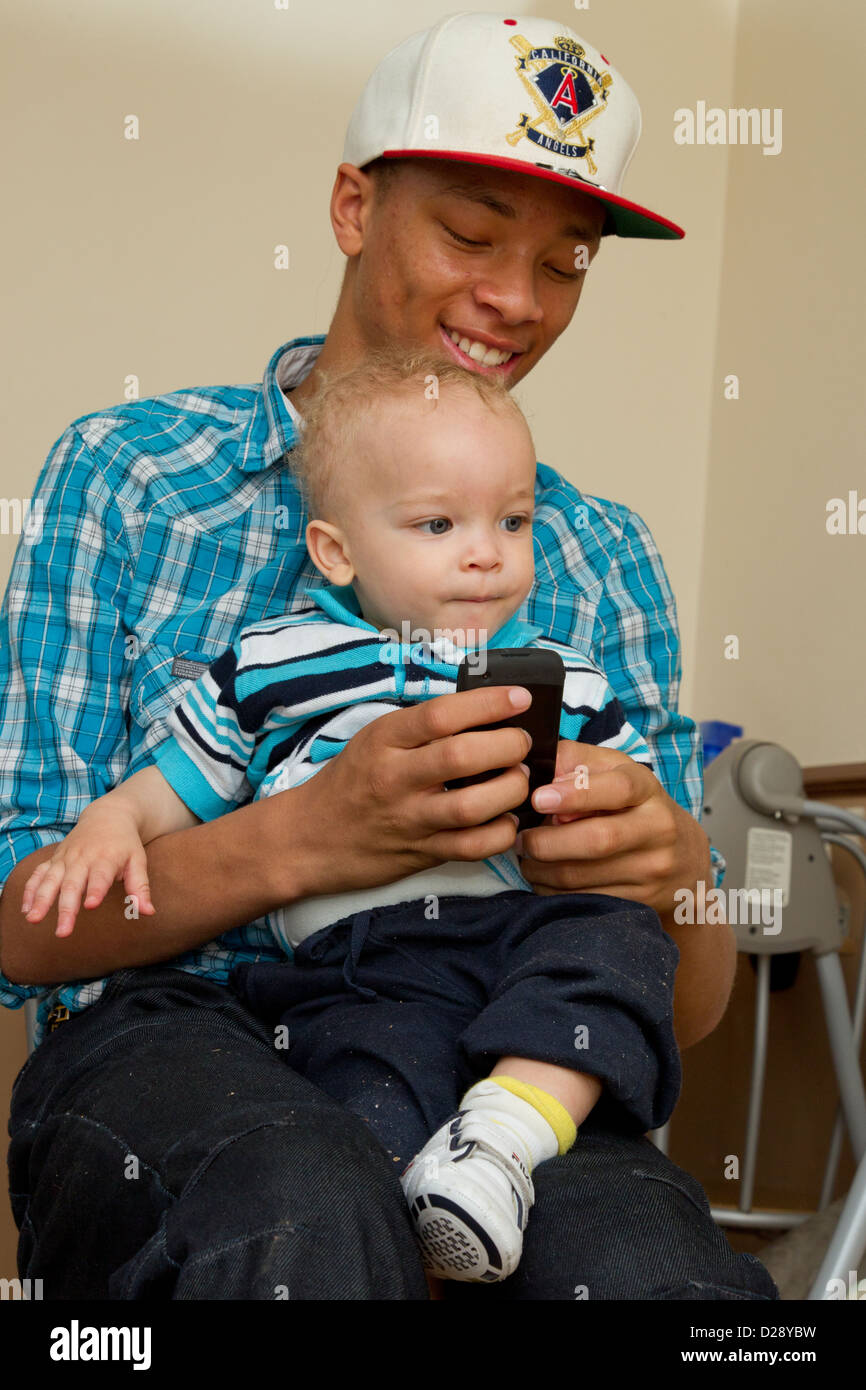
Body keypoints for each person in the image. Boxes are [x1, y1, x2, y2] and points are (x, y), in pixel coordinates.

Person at [0, 12, 779, 1299]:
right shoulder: (133, 477)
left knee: (655, 1278)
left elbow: (682, 1008)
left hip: (501, 1052)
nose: (518, 299)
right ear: (353, 205)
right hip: (176, 1039)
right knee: (301, 1201)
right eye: (470, 234)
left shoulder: (600, 552)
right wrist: (310, 838)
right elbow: (20, 927)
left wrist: (671, 862)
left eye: (566, 261)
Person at [18, 351, 683, 1284]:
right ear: (337, 551)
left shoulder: (563, 676)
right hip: (364, 961)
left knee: (616, 946)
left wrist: (617, 828)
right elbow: (175, 784)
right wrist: (110, 826)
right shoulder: (282, 662)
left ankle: (504, 1137)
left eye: (515, 520)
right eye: (438, 524)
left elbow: (642, 828)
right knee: (363, 1118)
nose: (487, 550)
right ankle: (441, 1194)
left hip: (517, 943)